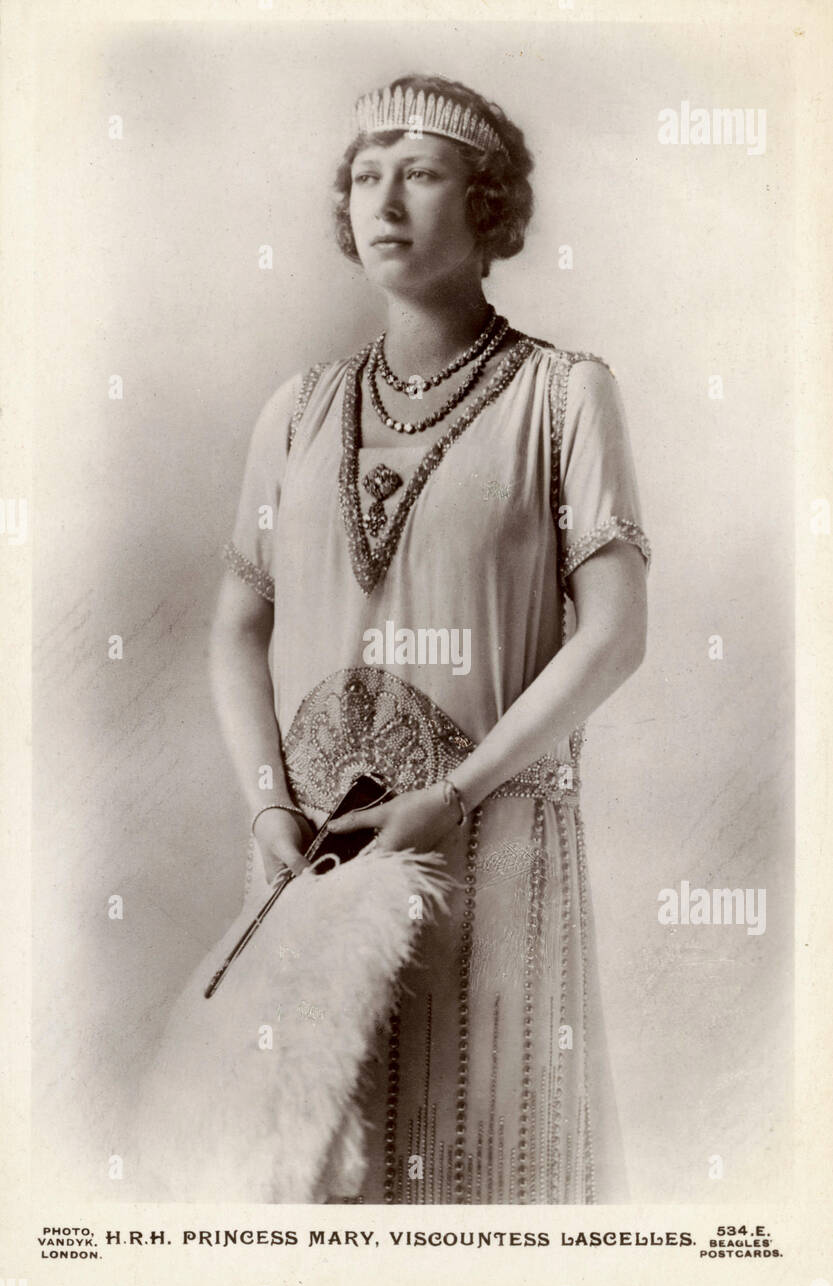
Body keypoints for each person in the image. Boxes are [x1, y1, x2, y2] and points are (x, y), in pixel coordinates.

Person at [210, 73, 650, 1204]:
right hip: (306, 857)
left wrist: (451, 795)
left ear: (487, 203)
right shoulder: (296, 409)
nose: (384, 201)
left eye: (419, 173)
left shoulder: (562, 395)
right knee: (315, 1181)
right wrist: (267, 805)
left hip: (487, 849)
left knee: (475, 1163)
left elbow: (612, 636)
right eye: (365, 175)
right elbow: (237, 626)